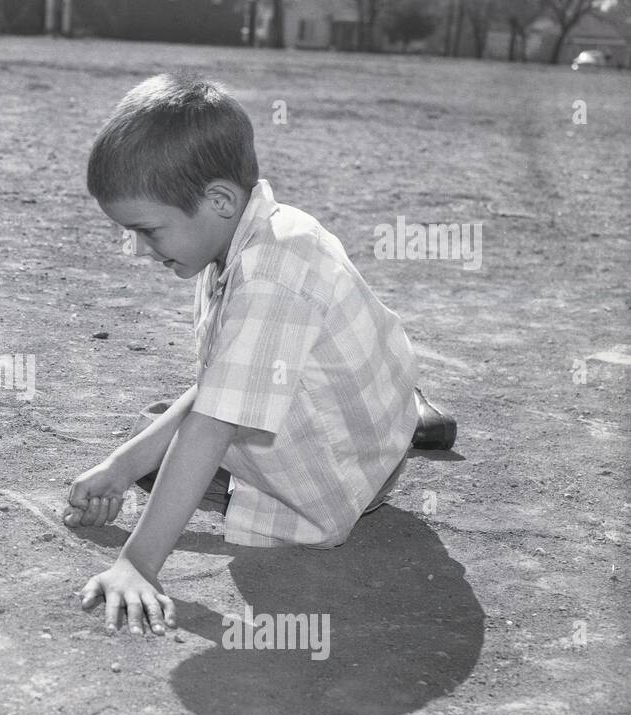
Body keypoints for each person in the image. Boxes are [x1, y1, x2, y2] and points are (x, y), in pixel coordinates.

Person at [63, 74, 456, 634]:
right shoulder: (247, 234)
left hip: (343, 483)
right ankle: (404, 415)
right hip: (375, 427)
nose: (143, 251)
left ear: (218, 199)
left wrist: (138, 561)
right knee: (154, 439)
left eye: (150, 231)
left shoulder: (273, 271)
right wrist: (122, 466)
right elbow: (223, 380)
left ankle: (389, 435)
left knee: (181, 447)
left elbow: (214, 419)